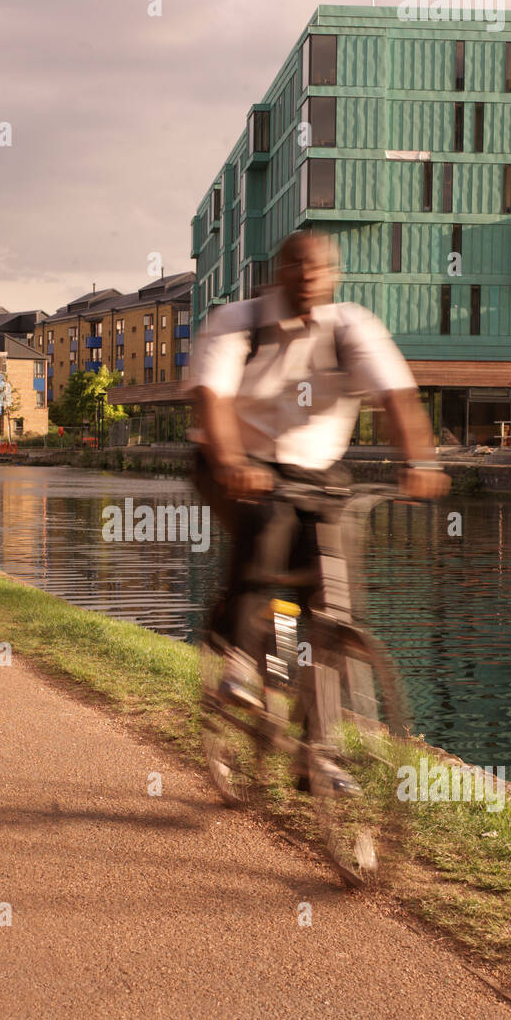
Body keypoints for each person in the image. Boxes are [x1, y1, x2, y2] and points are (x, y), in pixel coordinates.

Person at [189, 228, 450, 795]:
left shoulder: (351, 327)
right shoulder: (239, 321)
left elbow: (397, 398)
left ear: (334, 274)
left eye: (319, 268)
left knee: (333, 601)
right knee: (266, 523)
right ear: (279, 271)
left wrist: (420, 460)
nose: (308, 276)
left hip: (316, 471)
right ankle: (237, 661)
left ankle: (316, 754)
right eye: (297, 266)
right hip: (233, 456)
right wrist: (233, 461)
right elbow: (211, 397)